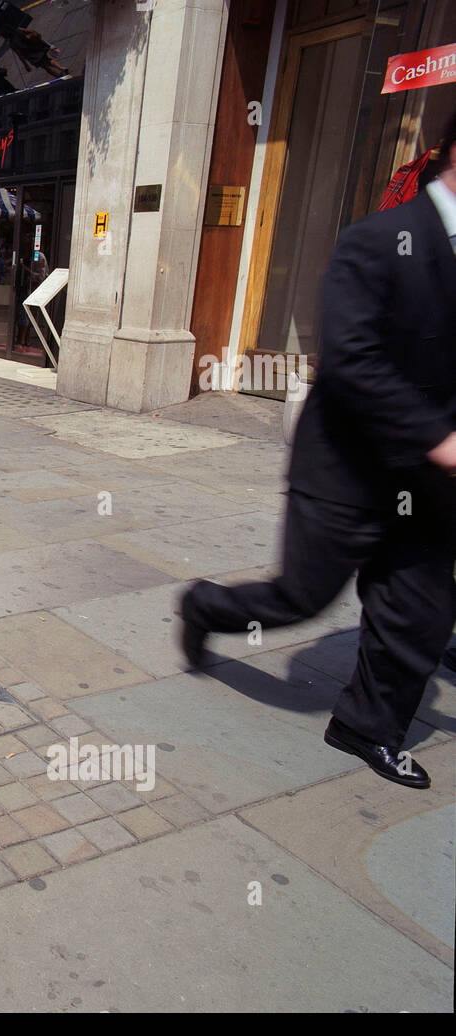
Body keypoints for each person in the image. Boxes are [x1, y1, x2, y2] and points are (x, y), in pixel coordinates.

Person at [179, 109, 456, 789]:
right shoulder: (377, 240)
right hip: (347, 470)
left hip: (427, 488)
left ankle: (367, 725)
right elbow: (353, 361)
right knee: (299, 597)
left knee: (418, 611)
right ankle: (203, 606)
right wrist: (439, 438)